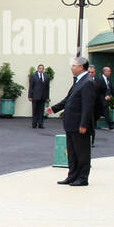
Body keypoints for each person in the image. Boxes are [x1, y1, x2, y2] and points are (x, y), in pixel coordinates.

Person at [47, 56, 97, 186]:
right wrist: (54, 108)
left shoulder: (88, 82)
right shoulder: (78, 81)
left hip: (79, 125)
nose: (72, 67)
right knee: (72, 152)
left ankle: (82, 178)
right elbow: (68, 99)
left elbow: (88, 106)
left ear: (81, 67)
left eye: (74, 65)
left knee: (82, 153)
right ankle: (72, 175)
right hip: (71, 124)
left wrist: (84, 124)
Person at [96, 66, 114, 131]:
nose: (110, 72)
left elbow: (111, 89)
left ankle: (93, 124)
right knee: (105, 110)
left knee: (98, 112)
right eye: (109, 71)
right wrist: (105, 96)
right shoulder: (100, 79)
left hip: (105, 99)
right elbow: (99, 90)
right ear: (104, 72)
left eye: (110, 71)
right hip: (100, 99)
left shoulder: (108, 79)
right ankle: (111, 124)